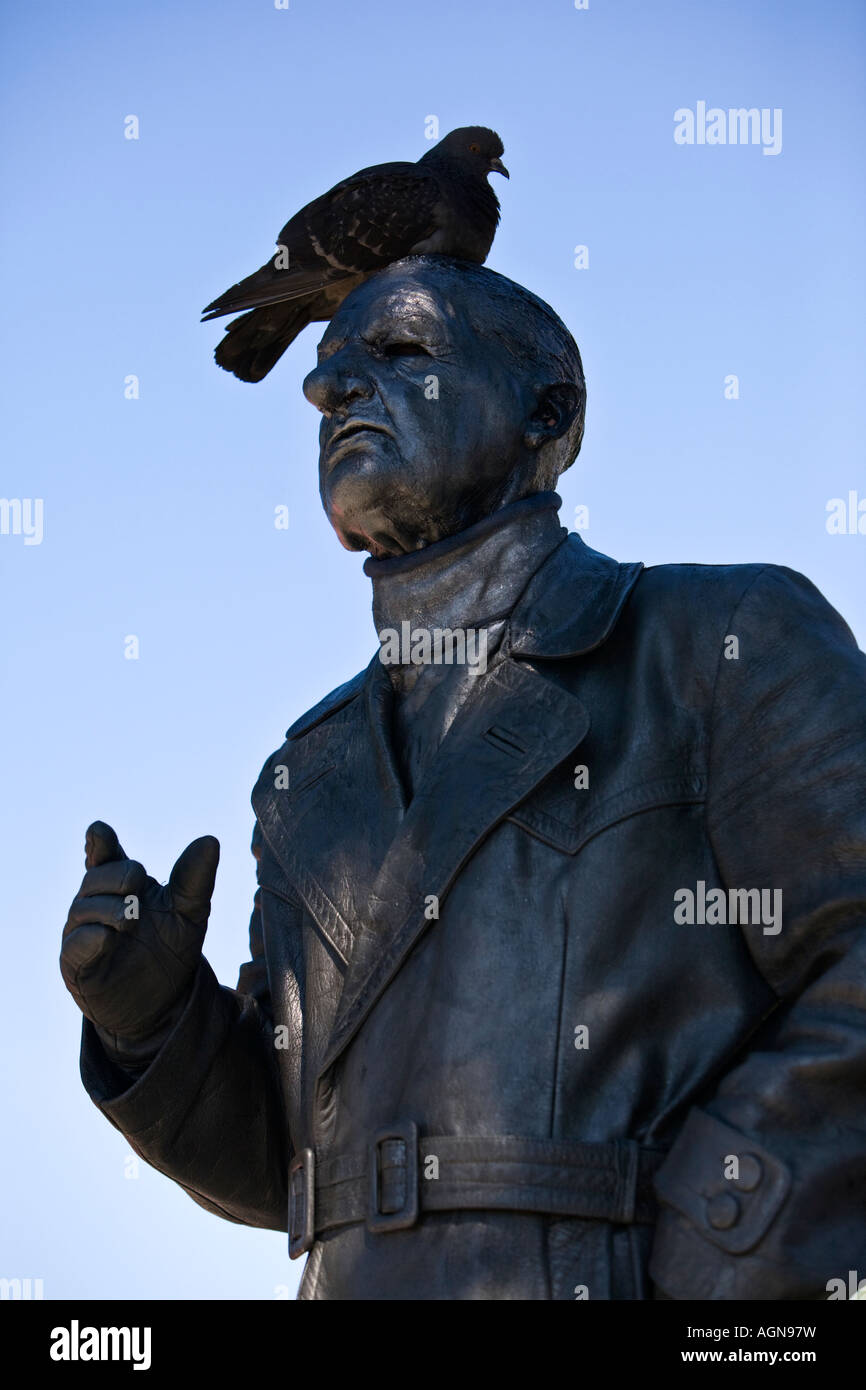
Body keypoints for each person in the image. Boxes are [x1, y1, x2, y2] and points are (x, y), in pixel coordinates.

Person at [61, 257, 866, 1300]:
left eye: (397, 350)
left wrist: (706, 1247)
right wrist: (155, 1022)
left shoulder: (713, 641)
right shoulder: (306, 774)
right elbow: (300, 1163)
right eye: (325, 366)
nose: (328, 387)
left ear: (547, 407)